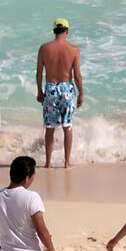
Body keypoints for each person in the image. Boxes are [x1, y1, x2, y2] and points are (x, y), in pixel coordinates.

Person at [36, 18, 83, 168]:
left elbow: (38, 73)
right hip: (66, 89)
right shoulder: (74, 50)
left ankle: (48, 163)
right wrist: (81, 93)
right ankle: (67, 163)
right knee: (67, 127)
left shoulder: (44, 48)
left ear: (54, 31)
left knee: (50, 128)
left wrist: (39, 91)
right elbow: (77, 76)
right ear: (67, 31)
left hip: (50, 88)